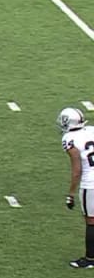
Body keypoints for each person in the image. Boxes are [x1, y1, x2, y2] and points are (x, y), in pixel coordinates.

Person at [57, 108, 94, 269]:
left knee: (91, 220)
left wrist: (70, 194)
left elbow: (77, 170)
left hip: (90, 183)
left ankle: (90, 259)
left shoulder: (69, 138)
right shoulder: (92, 130)